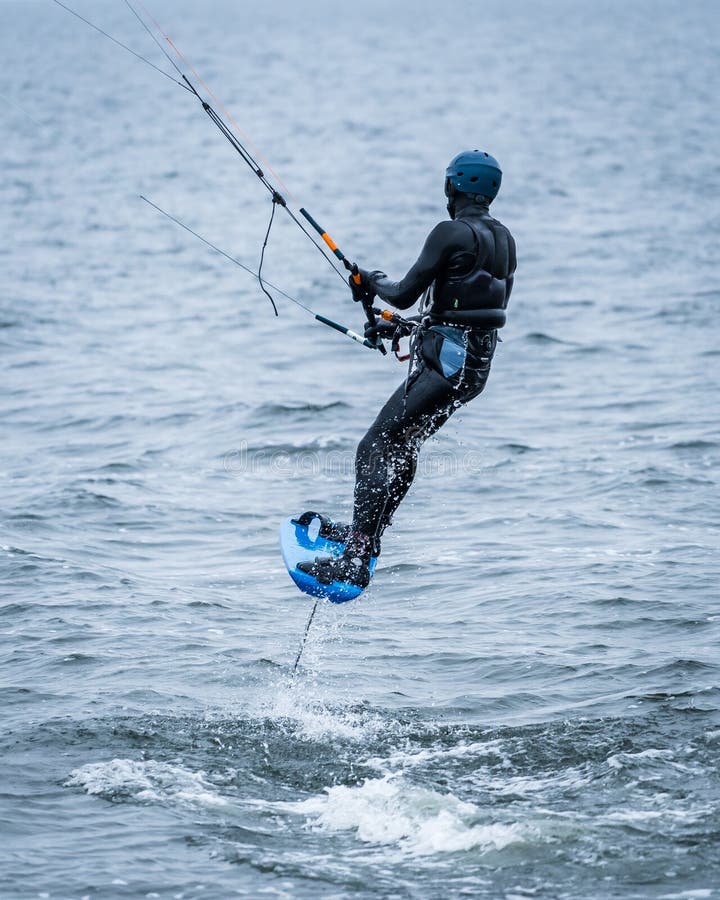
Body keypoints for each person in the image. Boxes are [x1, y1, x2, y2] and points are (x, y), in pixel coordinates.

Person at [298, 150, 517, 588]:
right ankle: (367, 536)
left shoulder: (450, 232)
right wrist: (408, 326)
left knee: (375, 445)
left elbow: (400, 292)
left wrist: (371, 279)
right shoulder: (504, 237)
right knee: (402, 444)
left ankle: (356, 557)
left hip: (446, 363)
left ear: (452, 187)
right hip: (472, 369)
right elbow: (472, 309)